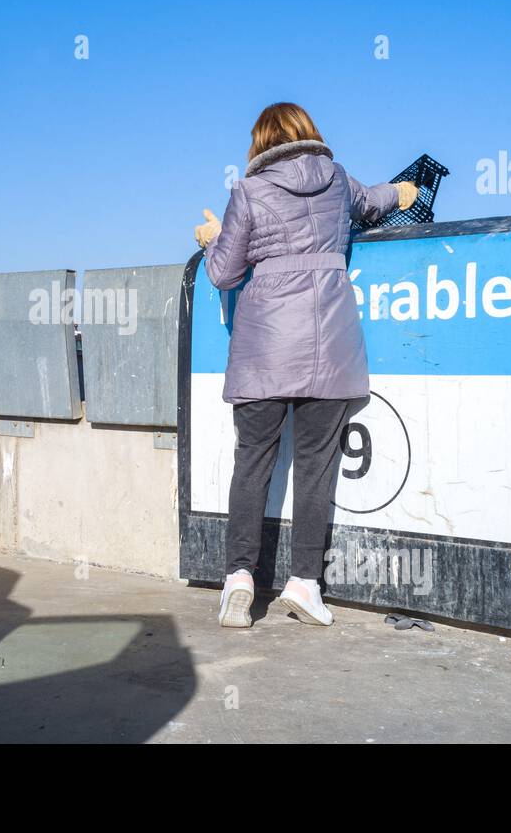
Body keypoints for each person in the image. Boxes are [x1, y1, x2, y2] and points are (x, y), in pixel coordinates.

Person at [193, 102, 417, 629]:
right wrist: (402, 192)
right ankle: (304, 584)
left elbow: (224, 274)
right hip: (330, 347)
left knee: (252, 463)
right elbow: (376, 202)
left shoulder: (247, 192)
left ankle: (239, 579)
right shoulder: (337, 179)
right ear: (309, 134)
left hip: (263, 352)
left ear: (261, 144)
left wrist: (207, 243)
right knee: (316, 468)